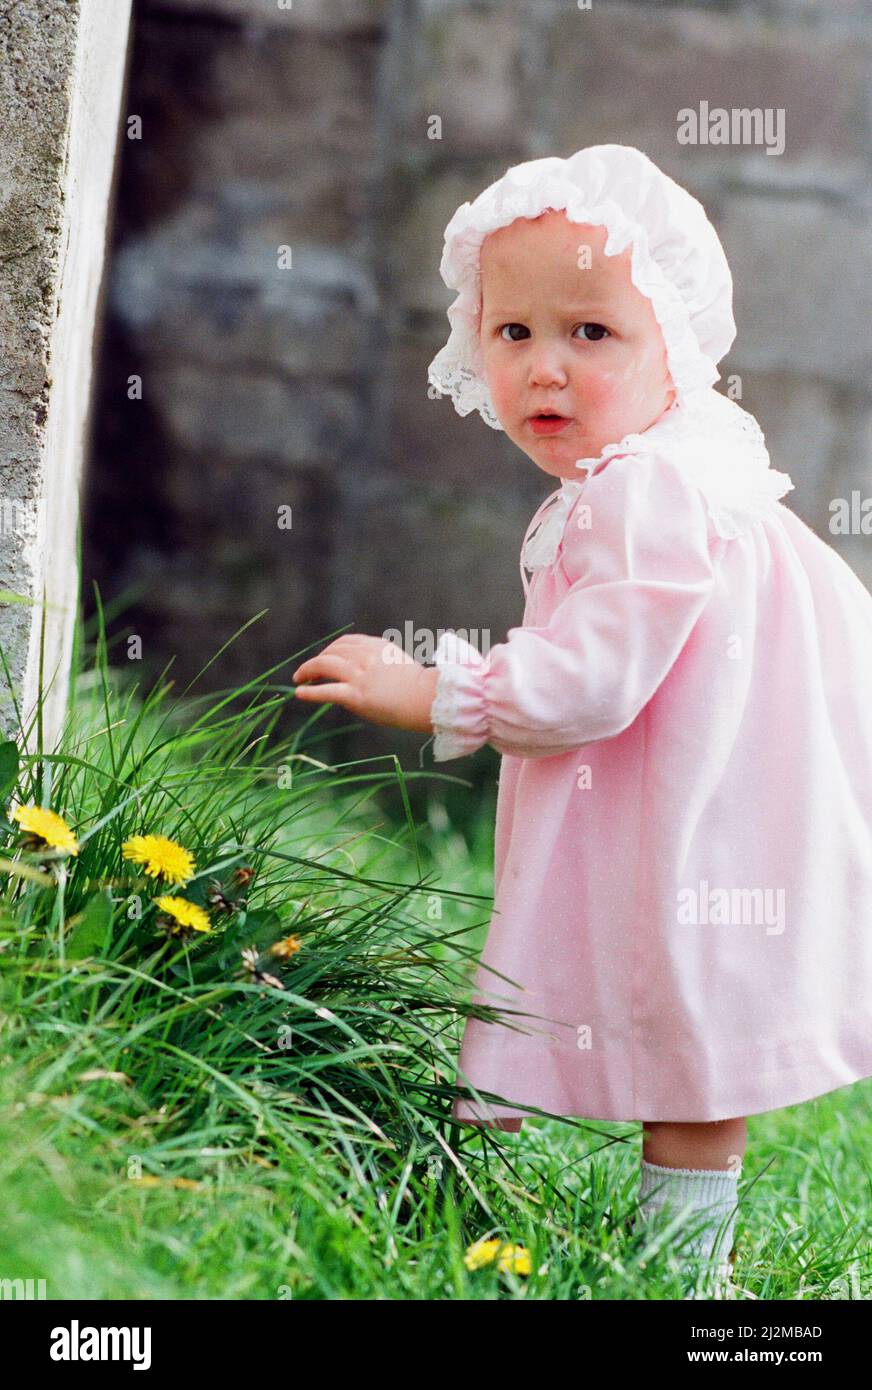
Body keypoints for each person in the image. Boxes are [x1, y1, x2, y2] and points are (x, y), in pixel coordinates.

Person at [291, 145, 872, 1298]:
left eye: (590, 334)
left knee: (690, 1043)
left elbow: (590, 683)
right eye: (512, 335)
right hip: (713, 805)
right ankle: (592, 1240)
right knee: (681, 1030)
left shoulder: (645, 490)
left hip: (702, 827)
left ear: (678, 347)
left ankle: (674, 1280)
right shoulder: (679, 472)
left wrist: (431, 691)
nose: (543, 370)